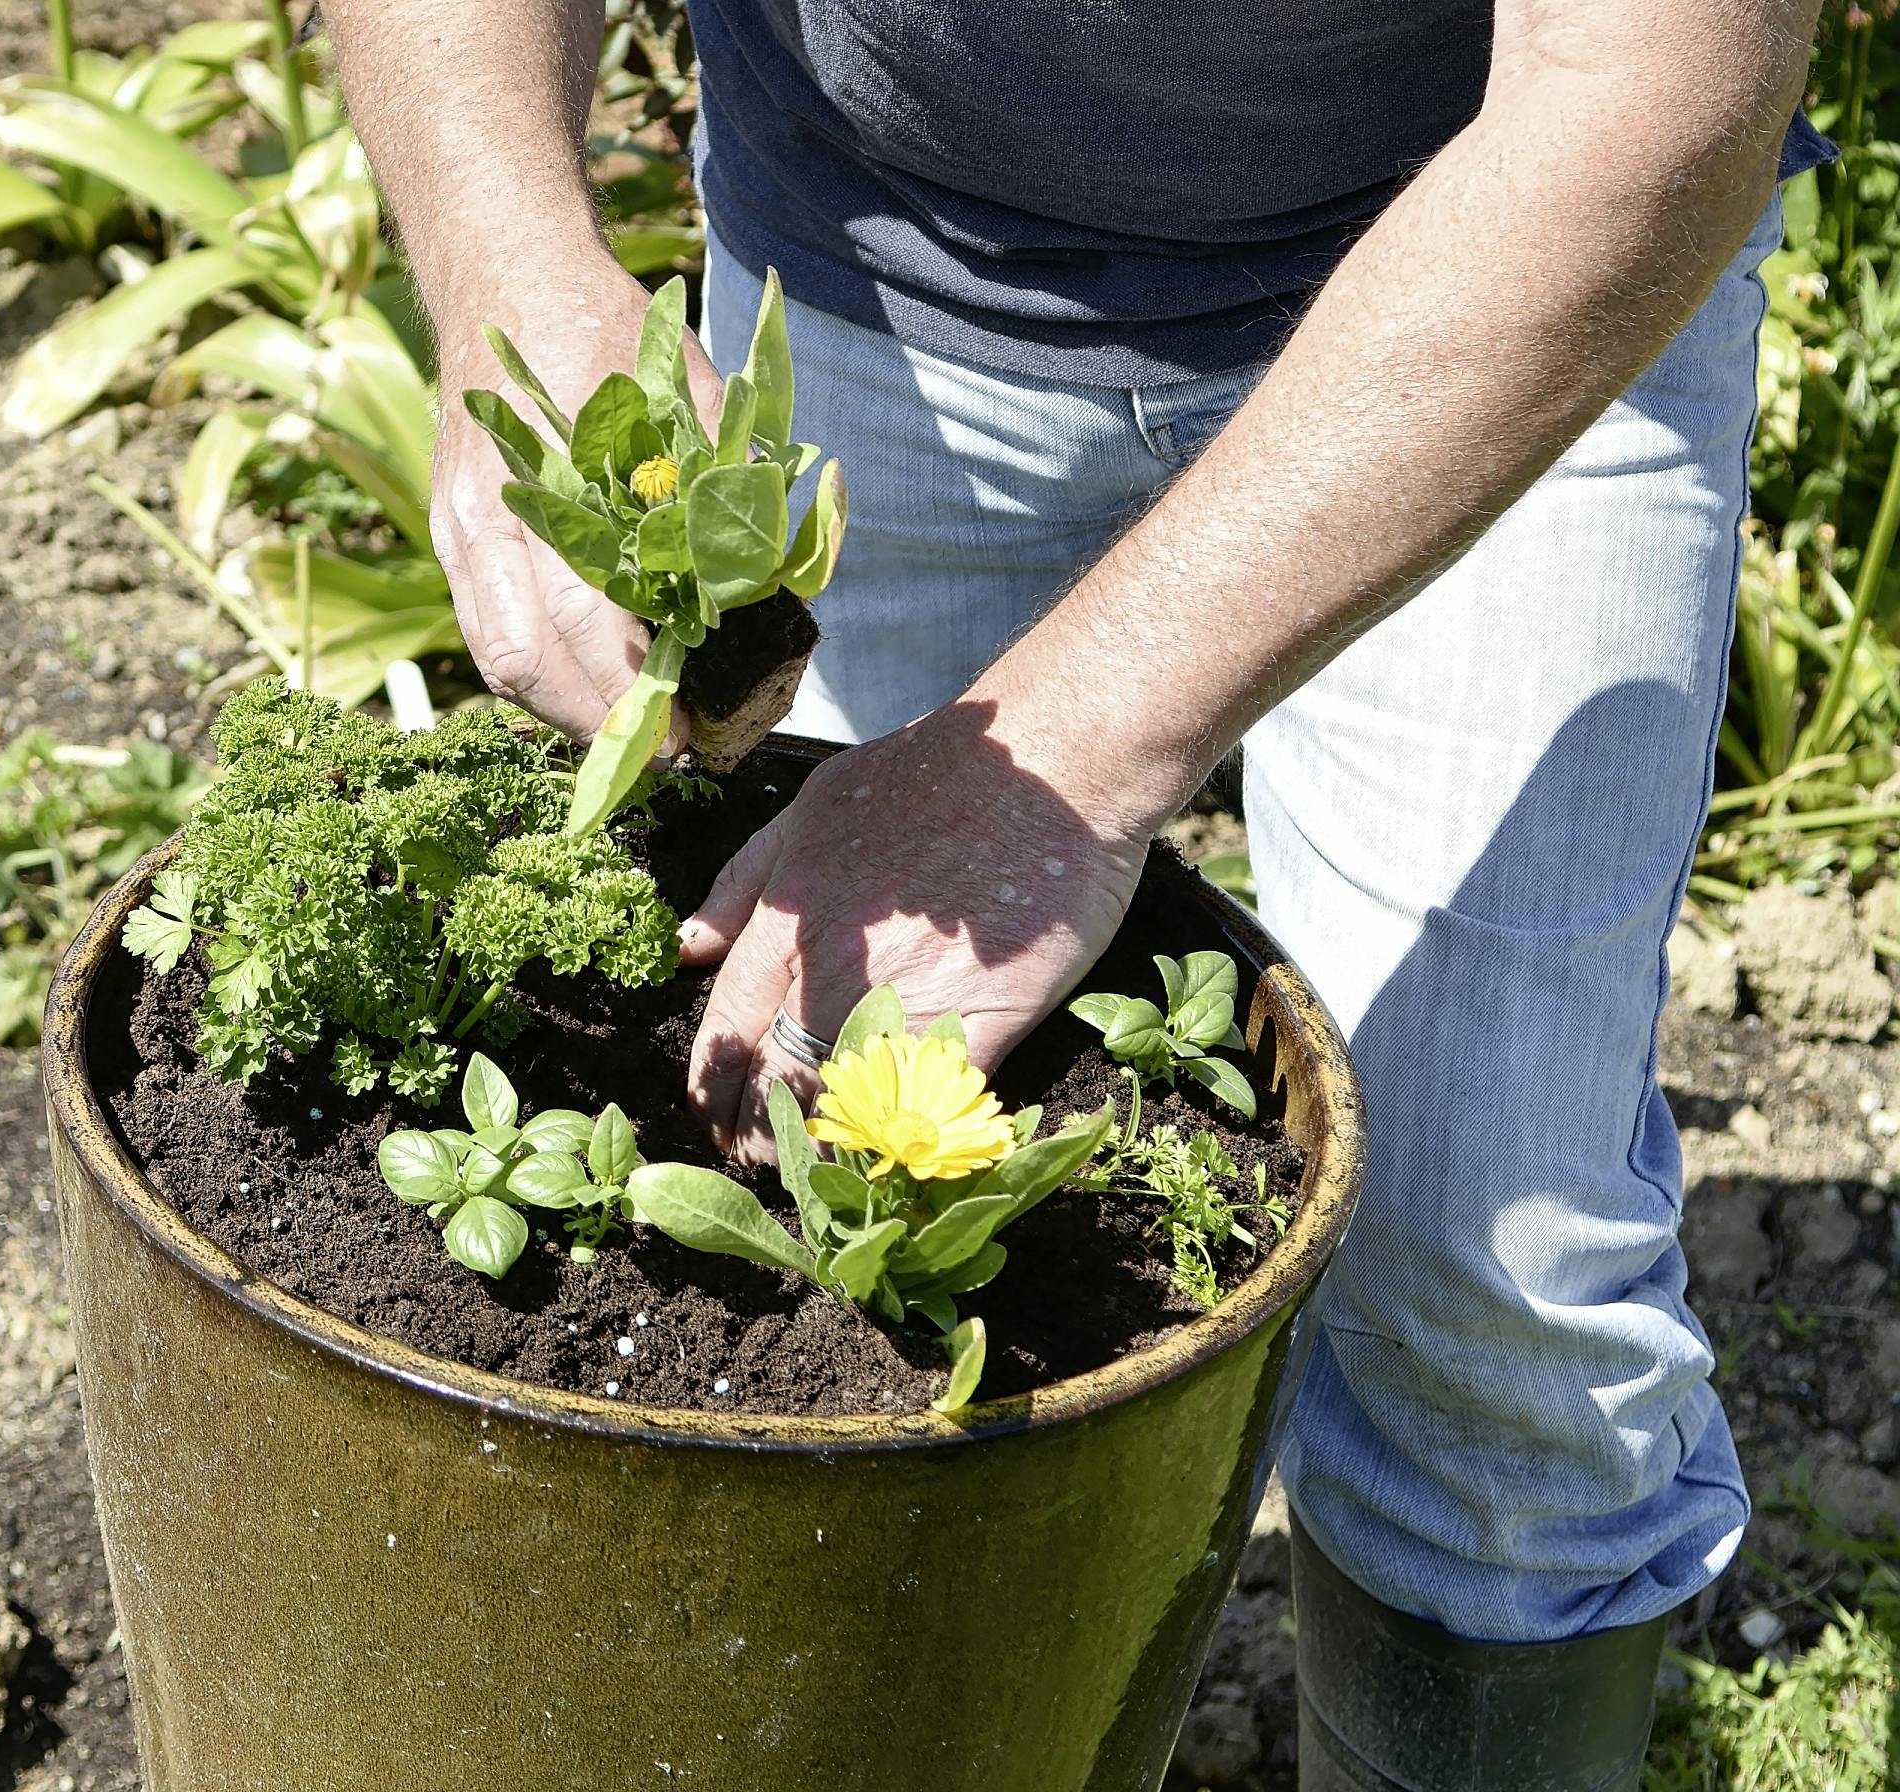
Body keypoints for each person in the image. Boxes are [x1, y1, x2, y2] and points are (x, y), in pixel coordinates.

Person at [317, 1, 1833, 1783]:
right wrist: (507, 269)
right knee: (814, 1183)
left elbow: (1653, 88)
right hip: (880, 271)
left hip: (1507, 280)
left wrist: (1055, 763)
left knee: (1479, 1281)